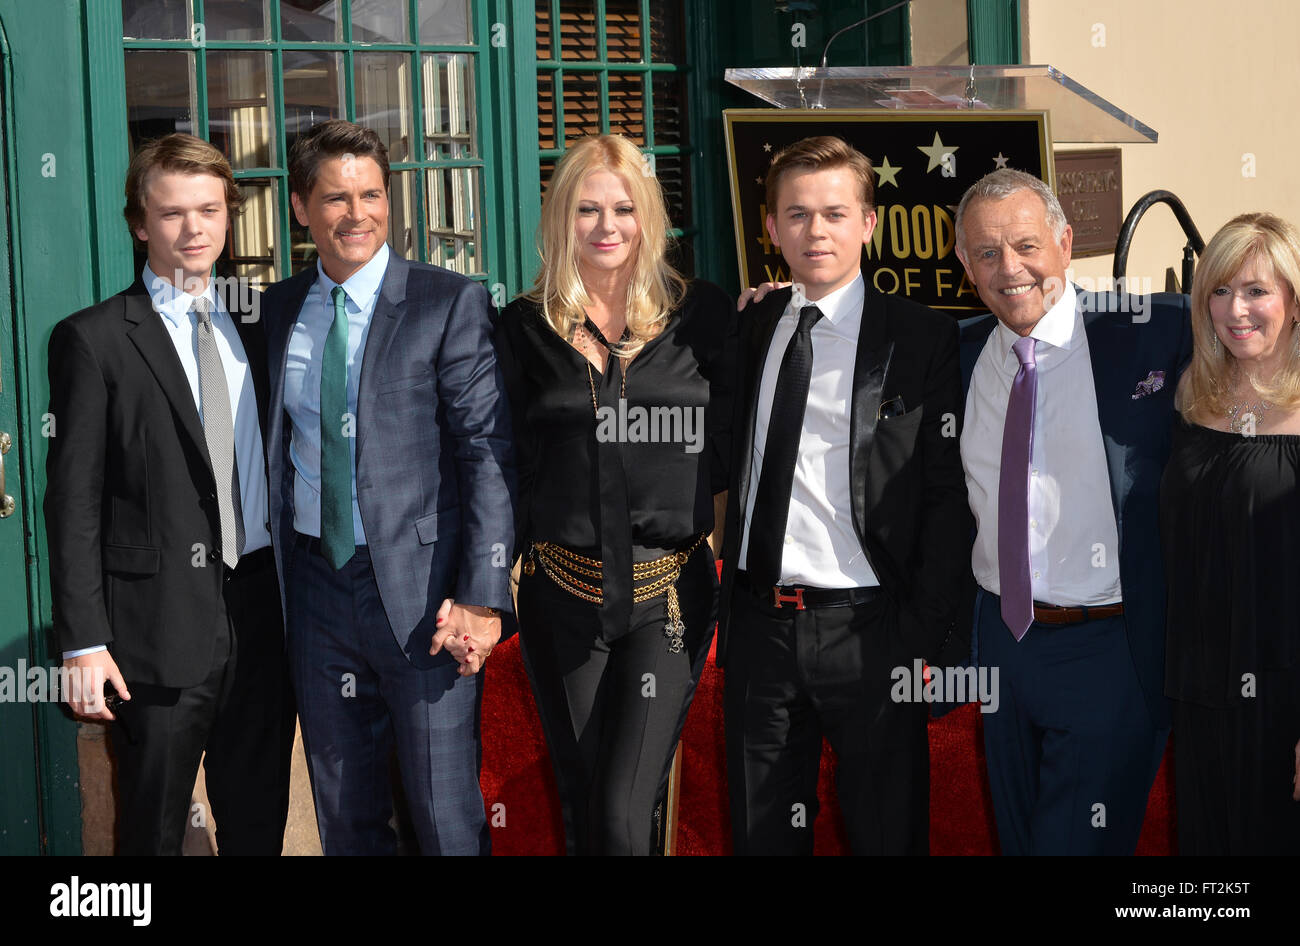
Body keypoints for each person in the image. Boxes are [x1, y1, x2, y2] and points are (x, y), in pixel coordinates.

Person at [262, 119, 514, 856]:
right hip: (315, 589)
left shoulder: (448, 302)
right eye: (336, 198)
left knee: (443, 817)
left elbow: (488, 453)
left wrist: (482, 594)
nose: (357, 213)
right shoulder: (279, 309)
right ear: (301, 209)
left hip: (424, 597)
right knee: (346, 815)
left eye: (372, 194)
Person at [718, 135, 972, 856]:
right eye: (796, 214)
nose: (815, 231)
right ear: (770, 229)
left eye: (835, 212)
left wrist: (917, 635)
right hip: (760, 628)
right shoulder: (746, 325)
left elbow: (946, 496)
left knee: (887, 835)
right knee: (760, 838)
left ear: (868, 223)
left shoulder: (922, 338)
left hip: (871, 630)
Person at [45, 133, 295, 855]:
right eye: (173, 213)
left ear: (228, 216)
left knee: (257, 824)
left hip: (263, 616)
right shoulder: (93, 340)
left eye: (209, 210)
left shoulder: (261, 320)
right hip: (151, 631)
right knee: (151, 833)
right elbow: (74, 503)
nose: (194, 229)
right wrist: (84, 643)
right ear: (139, 223)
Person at [494, 134, 735, 855]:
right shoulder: (522, 325)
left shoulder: (707, 314)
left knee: (622, 815)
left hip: (667, 599)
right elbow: (502, 461)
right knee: (581, 802)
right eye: (588, 209)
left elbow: (735, 443)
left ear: (648, 217)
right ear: (562, 218)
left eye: (624, 208)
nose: (607, 226)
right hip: (559, 596)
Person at [954, 168, 1192, 855]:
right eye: (989, 253)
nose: (1011, 268)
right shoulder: (958, 353)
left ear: (1064, 241)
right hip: (1002, 644)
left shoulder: (1155, 332)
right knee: (1021, 839)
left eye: (1027, 245)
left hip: (1111, 648)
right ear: (965, 264)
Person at [1160, 212, 1300, 854]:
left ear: (1293, 302)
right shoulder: (1192, 393)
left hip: (1284, 693)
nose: (1235, 309)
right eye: (1219, 290)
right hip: (1201, 685)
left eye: (1256, 290)